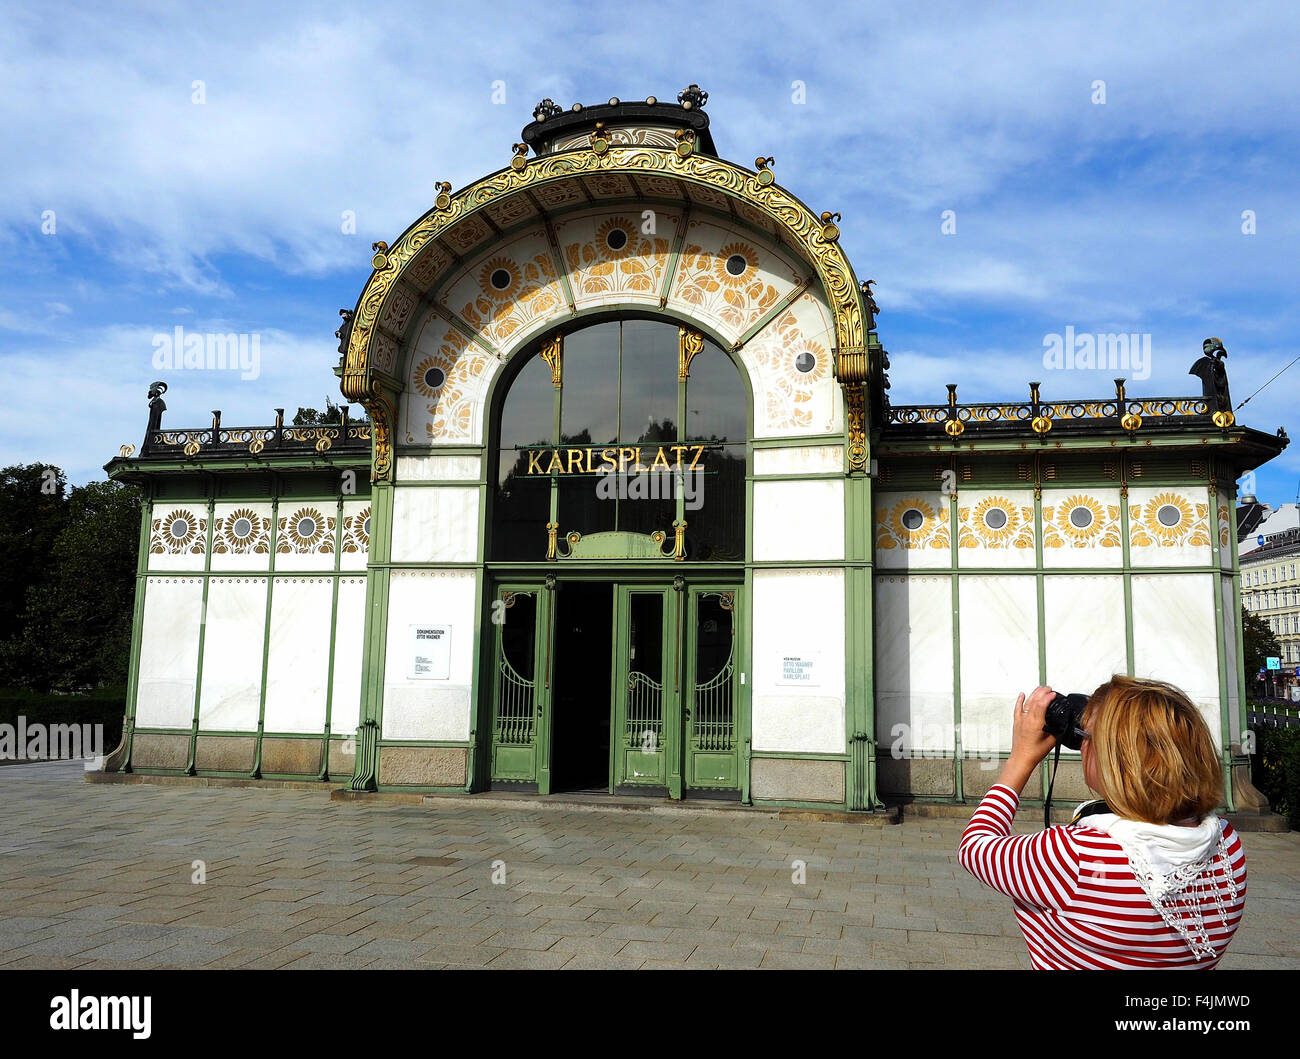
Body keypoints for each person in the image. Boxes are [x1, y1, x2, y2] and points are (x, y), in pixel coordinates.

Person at [959, 676, 1246, 969]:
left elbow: (974, 847)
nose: (1082, 745)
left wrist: (1020, 758)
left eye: (1087, 736)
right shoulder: (1227, 846)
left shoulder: (1075, 856)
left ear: (1115, 757)